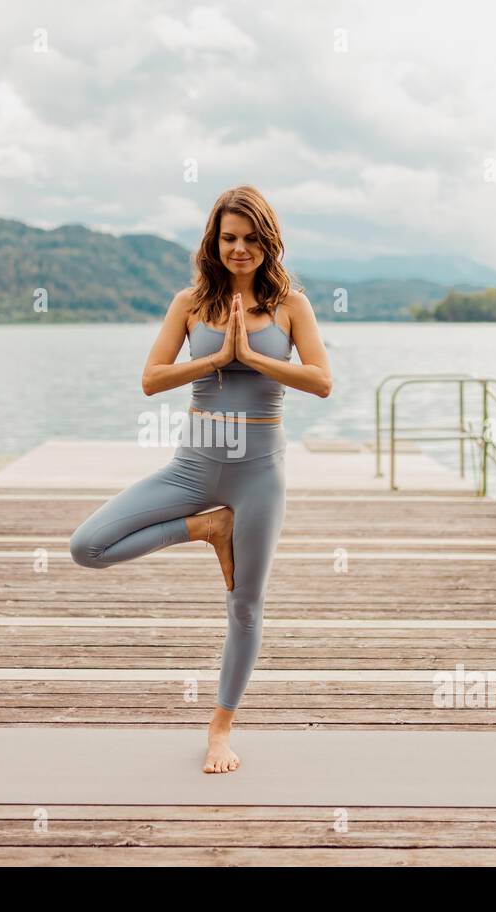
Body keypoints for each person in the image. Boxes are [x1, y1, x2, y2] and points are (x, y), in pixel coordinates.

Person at [69, 184, 332, 773]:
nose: (239, 249)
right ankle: (205, 528)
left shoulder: (293, 305)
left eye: (251, 239)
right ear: (214, 242)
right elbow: (152, 378)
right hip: (191, 468)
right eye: (229, 238)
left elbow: (320, 381)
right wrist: (216, 358)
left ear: (269, 242)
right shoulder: (189, 302)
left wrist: (252, 355)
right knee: (86, 545)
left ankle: (219, 729)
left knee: (245, 605)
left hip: (258, 476)